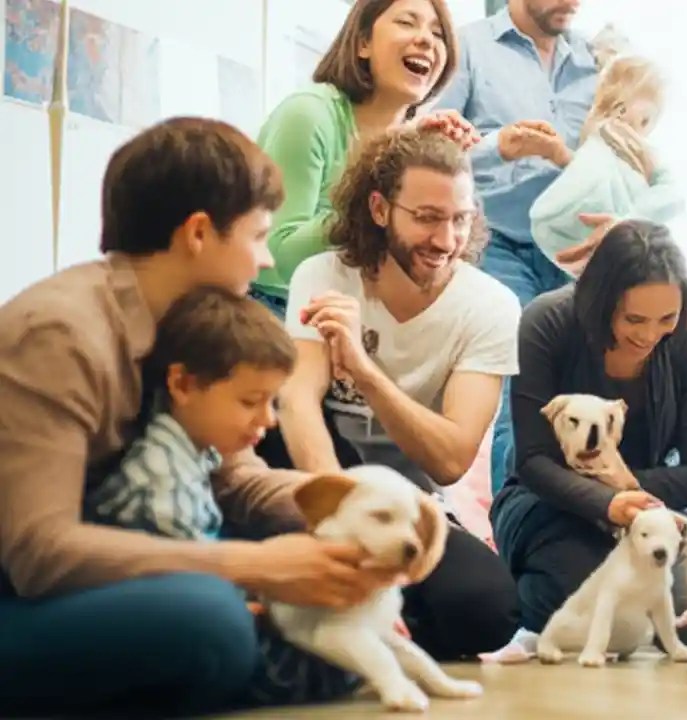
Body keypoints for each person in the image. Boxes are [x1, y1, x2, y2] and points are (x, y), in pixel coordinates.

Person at [0, 117, 403, 717]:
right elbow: (39, 554)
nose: (267, 261)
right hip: (23, 592)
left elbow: (235, 479)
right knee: (211, 622)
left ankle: (283, 652)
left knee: (369, 569)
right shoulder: (60, 335)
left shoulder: (189, 327)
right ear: (198, 233)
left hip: (130, 553)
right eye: (260, 236)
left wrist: (362, 508)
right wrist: (255, 568)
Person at [261, 125, 522, 655]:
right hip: (325, 474)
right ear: (380, 210)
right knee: (266, 417)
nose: (446, 241)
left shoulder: (491, 306)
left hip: (410, 497)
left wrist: (363, 368)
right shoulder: (324, 274)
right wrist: (337, 519)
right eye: (426, 218)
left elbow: (450, 459)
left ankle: (361, 621)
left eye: (460, 219)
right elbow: (298, 402)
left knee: (489, 611)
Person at [490, 220, 687, 636]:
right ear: (601, 301)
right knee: (598, 612)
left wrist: (630, 492)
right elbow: (532, 461)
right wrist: (607, 504)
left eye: (666, 318)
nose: (651, 334)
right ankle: (509, 593)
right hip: (548, 502)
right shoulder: (546, 322)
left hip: (651, 505)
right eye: (634, 319)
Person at [433, 0, 605, 484]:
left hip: (579, 253)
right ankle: (519, 519)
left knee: (588, 394)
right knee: (523, 393)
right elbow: (430, 146)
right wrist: (497, 147)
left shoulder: (598, 58)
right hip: (500, 244)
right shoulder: (468, 46)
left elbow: (617, 150)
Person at [250, 0, 480, 318]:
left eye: (438, 33)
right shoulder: (308, 114)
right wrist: (372, 177)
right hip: (277, 309)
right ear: (363, 43)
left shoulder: (414, 141)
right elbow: (279, 260)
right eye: (406, 22)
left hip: (362, 314)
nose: (426, 39)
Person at [84, 287, 296, 543]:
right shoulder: (164, 489)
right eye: (250, 402)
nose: (269, 419)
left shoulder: (199, 454)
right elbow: (190, 575)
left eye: (272, 401)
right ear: (182, 385)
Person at [529, 51, 683, 277]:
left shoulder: (626, 150)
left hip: (608, 242)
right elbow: (673, 194)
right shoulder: (613, 142)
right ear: (620, 106)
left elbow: (671, 195)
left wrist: (628, 220)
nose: (645, 130)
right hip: (589, 239)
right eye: (646, 120)